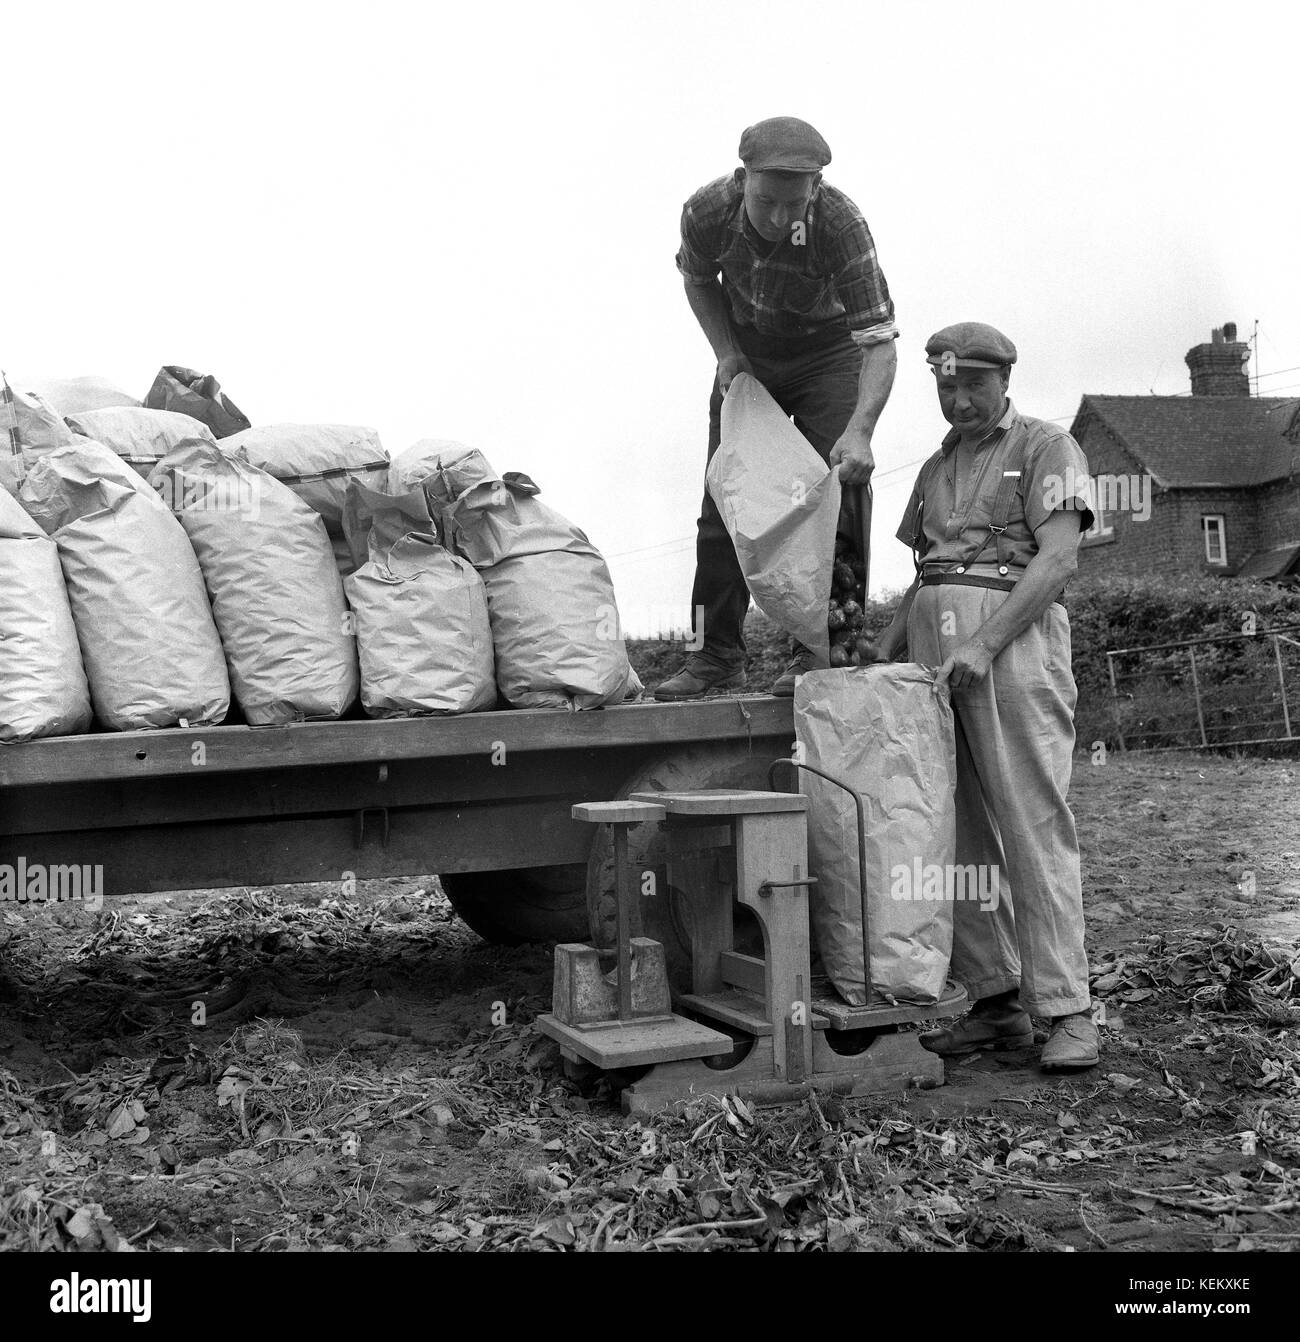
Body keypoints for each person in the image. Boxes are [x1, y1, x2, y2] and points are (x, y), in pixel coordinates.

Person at [866, 322, 1099, 1069]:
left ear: (1004, 381)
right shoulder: (934, 468)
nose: (959, 399)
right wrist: (885, 646)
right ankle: (996, 1001)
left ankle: (1068, 1010)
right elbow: (928, 570)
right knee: (953, 832)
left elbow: (1057, 558)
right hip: (937, 660)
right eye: (946, 386)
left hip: (1011, 649)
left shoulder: (1046, 447)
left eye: (973, 384)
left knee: (1032, 823)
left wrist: (982, 644)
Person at [655, 116, 898, 701]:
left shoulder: (842, 224)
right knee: (724, 498)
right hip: (750, 349)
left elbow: (879, 339)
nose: (777, 218)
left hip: (829, 351)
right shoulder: (706, 211)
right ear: (742, 180)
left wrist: (861, 432)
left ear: (815, 189)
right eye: (765, 201)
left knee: (836, 486)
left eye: (793, 204)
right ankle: (713, 657)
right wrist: (726, 354)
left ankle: (822, 653)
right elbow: (697, 279)